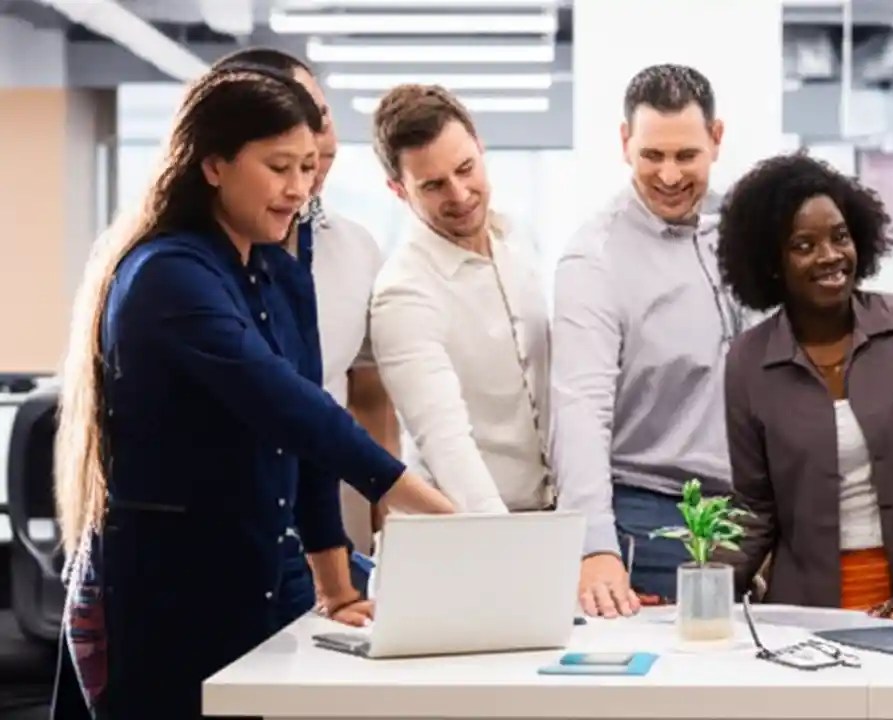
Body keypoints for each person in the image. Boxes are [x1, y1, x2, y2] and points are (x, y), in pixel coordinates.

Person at [53, 65, 453, 719]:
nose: (298, 189)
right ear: (214, 165)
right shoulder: (166, 274)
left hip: (262, 579)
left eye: (307, 167)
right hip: (173, 596)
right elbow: (285, 407)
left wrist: (337, 586)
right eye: (278, 168)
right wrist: (439, 511)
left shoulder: (275, 265)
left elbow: (310, 431)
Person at [715, 152, 893, 616]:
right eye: (804, 245)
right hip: (808, 607)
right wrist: (702, 592)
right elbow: (754, 506)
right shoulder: (748, 360)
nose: (831, 256)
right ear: (772, 262)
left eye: (840, 237)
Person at [552, 63, 745, 617]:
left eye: (686, 156)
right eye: (651, 156)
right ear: (623, 143)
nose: (667, 175)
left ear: (716, 138)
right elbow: (580, 408)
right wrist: (594, 546)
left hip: (751, 520)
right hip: (650, 522)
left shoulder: (743, 228)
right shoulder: (595, 259)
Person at [210, 47, 398, 609]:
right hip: (220, 536)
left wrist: (384, 534)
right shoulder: (186, 268)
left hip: (322, 537)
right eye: (290, 125)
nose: (317, 143)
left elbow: (361, 402)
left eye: (320, 118)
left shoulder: (353, 247)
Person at [369, 84, 552, 515]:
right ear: (399, 190)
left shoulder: (518, 241)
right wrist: (500, 536)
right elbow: (445, 440)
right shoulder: (404, 291)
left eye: (466, 168)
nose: (459, 194)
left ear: (480, 148)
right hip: (466, 528)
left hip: (544, 517)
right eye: (433, 185)